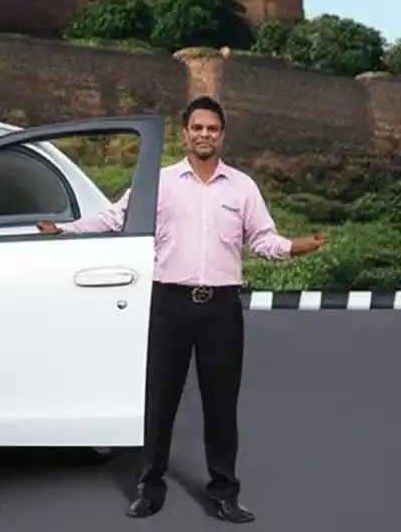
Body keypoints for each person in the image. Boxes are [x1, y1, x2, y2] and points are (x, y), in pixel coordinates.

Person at [37, 96, 327, 524]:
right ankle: (149, 489)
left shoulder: (242, 187)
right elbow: (116, 217)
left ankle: (225, 492)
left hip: (222, 308)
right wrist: (65, 230)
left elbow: (262, 239)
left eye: (212, 128)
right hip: (169, 303)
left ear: (221, 135)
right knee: (161, 400)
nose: (204, 134)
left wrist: (294, 247)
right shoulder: (161, 183)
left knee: (220, 403)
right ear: (185, 133)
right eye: (197, 128)